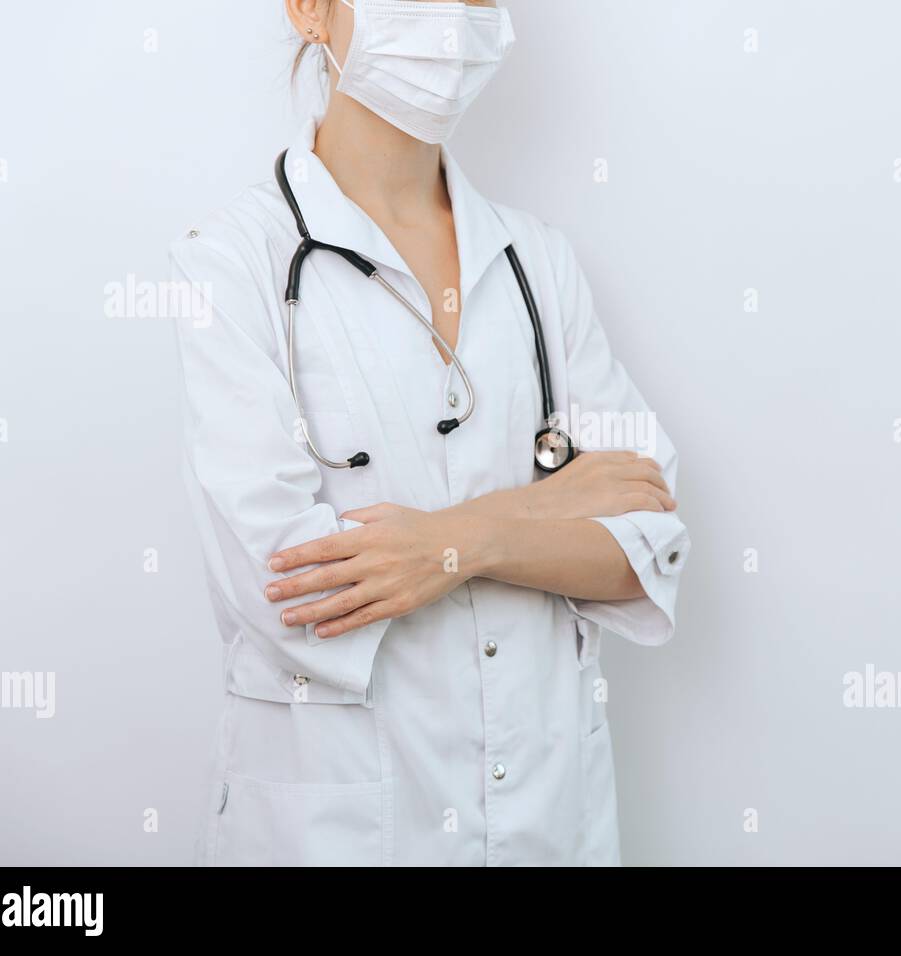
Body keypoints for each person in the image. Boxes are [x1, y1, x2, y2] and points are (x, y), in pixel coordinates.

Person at [169, 0, 689, 865]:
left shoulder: (538, 263)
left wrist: (446, 543)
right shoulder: (231, 267)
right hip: (342, 829)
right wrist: (547, 511)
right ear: (310, 11)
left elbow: (648, 537)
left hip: (547, 820)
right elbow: (293, 588)